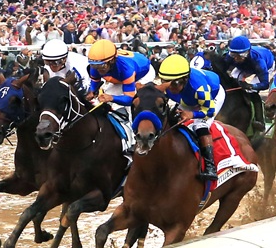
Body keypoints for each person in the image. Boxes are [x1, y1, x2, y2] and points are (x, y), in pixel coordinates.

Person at [156, 53, 221, 181]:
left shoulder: (199, 88)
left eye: (175, 84)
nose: (171, 88)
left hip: (211, 98)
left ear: (185, 79)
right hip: (187, 98)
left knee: (200, 125)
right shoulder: (172, 85)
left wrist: (192, 114)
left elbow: (210, 111)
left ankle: (210, 166)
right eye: (168, 83)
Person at [85, 38, 155, 120]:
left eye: (102, 66)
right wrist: (92, 91)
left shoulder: (126, 70)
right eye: (95, 66)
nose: (99, 70)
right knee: (105, 96)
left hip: (143, 74)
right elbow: (95, 82)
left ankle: (131, 128)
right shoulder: (96, 64)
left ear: (112, 61)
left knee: (127, 104)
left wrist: (111, 98)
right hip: (121, 74)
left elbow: (130, 99)